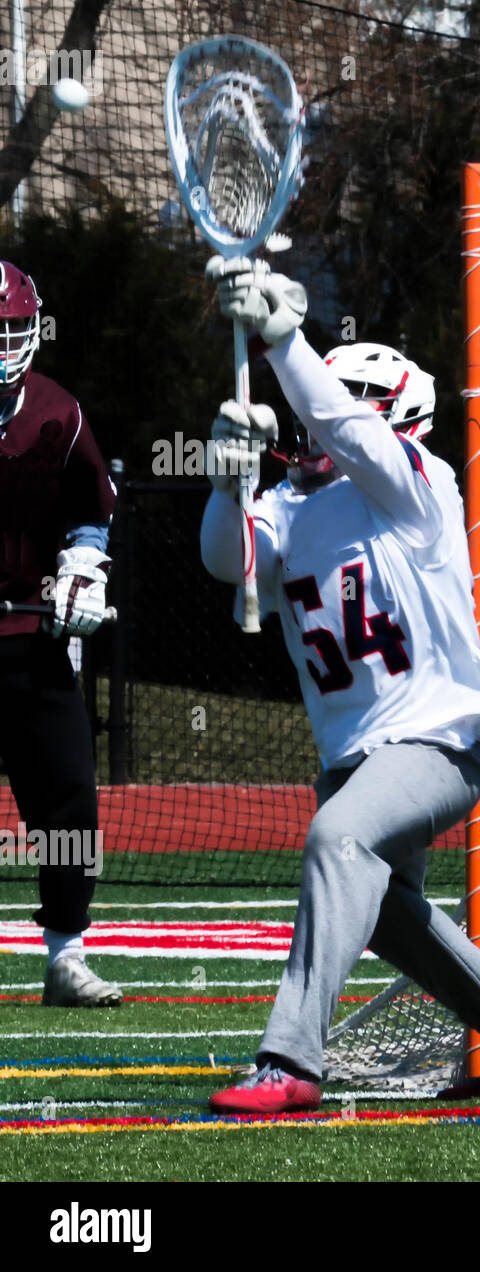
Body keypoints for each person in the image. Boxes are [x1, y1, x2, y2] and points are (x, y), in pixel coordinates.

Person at [201, 255, 480, 1113]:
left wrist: (286, 340)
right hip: (352, 752)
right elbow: (229, 561)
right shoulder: (291, 508)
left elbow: (352, 434)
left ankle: (292, 1059)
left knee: (337, 841)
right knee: (387, 911)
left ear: (391, 415)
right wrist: (228, 488)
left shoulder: (416, 486)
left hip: (438, 741)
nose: (313, 424)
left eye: (340, 406)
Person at [0, 261, 119, 1008]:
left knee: (68, 798)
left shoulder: (55, 411)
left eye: (11, 330)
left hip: (31, 635)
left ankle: (66, 955)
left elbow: (92, 506)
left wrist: (82, 567)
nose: (1, 347)